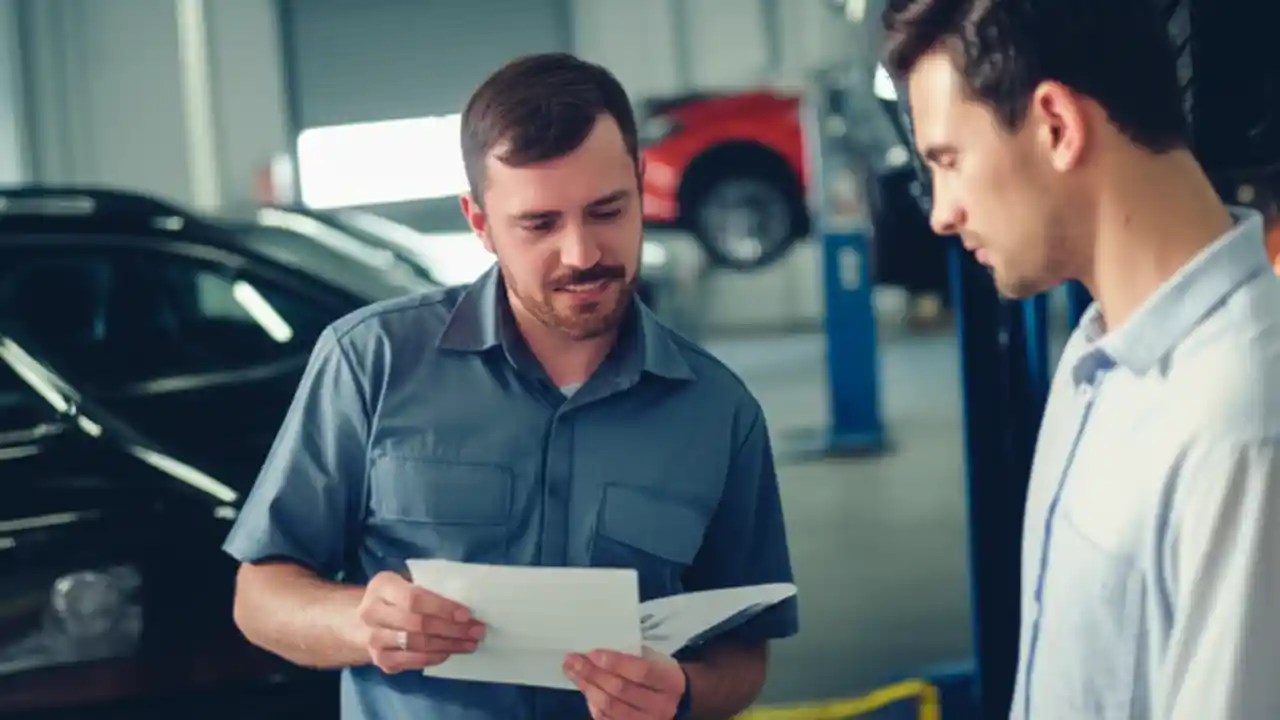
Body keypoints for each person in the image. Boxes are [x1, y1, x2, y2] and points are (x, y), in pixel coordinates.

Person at [223, 52, 798, 720]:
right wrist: (360, 622)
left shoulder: (717, 411)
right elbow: (259, 597)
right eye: (540, 224)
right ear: (479, 221)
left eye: (607, 210)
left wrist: (686, 694)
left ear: (640, 188)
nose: (582, 252)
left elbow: (744, 655)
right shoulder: (371, 361)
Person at [883, 0, 1280, 718]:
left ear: (1057, 126)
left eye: (949, 160)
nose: (941, 211)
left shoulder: (1244, 424)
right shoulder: (1094, 362)